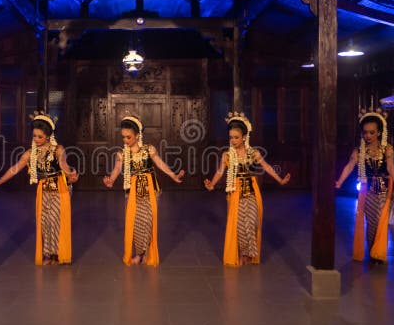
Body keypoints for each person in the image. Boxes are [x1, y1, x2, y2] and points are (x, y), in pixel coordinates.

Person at [0, 112, 78, 265]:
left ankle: (57, 255)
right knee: (44, 222)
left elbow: (64, 166)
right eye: (34, 136)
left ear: (48, 136)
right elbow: (15, 169)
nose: (36, 139)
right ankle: (48, 255)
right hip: (43, 190)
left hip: (60, 189)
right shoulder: (31, 153)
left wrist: (72, 174)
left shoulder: (58, 149)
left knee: (55, 221)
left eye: (40, 137)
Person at [204, 112, 290, 266]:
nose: (233, 140)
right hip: (235, 191)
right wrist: (212, 184)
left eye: (236, 137)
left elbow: (267, 167)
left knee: (251, 222)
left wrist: (280, 180)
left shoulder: (253, 153)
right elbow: (220, 171)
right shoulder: (227, 155)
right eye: (231, 137)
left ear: (244, 136)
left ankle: (249, 254)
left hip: (251, 190)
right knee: (239, 225)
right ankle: (242, 255)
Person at [103, 115, 185, 266]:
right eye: (123, 137)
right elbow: (116, 169)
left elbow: (160, 164)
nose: (125, 141)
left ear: (137, 135)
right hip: (132, 193)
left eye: (128, 137)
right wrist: (111, 180)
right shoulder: (122, 154)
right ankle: (139, 253)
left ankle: (143, 253)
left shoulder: (149, 149)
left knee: (147, 222)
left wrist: (173, 175)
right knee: (135, 224)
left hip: (151, 191)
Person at [335, 108, 394, 264]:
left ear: (379, 132)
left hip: (385, 190)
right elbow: (350, 166)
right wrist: (340, 181)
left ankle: (379, 253)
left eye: (372, 132)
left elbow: (391, 167)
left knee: (381, 220)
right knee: (371, 222)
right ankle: (373, 252)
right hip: (367, 191)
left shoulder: (387, 149)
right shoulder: (359, 151)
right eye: (365, 132)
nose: (368, 136)